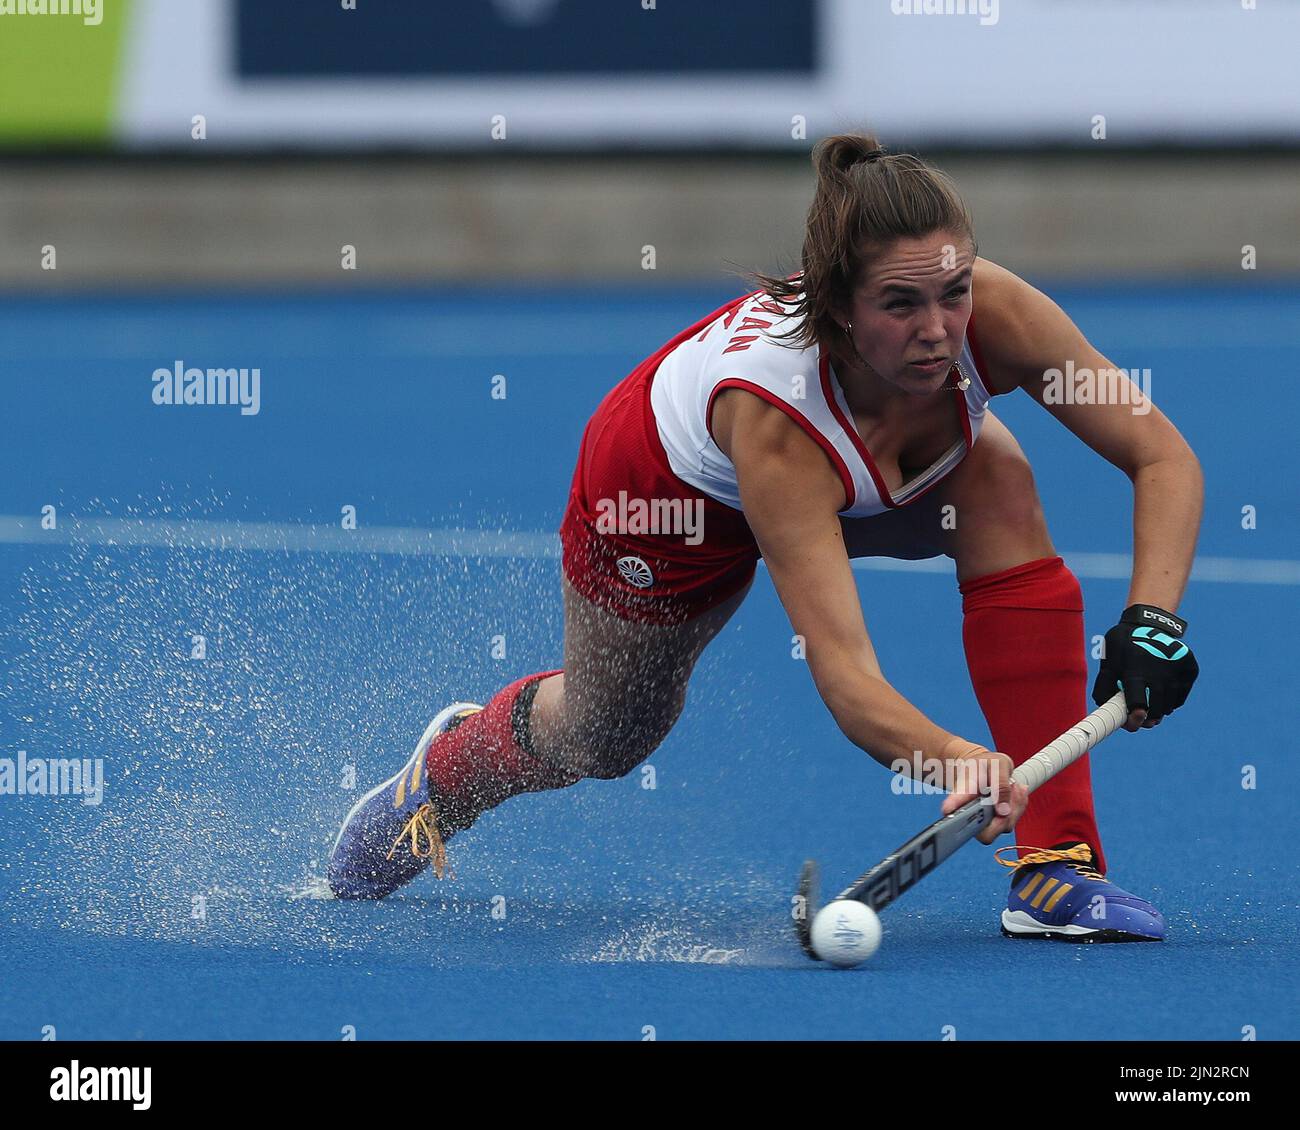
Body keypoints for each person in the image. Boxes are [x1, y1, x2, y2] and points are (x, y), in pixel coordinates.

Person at [327, 133, 1200, 942]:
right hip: (663, 500)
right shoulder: (775, 420)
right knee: (605, 738)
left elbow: (1161, 455)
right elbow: (847, 676)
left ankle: (1057, 865)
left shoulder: (994, 317)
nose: (939, 330)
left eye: (954, 291)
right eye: (901, 304)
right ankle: (449, 771)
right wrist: (957, 764)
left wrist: (1154, 620)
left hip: (860, 462)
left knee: (999, 484)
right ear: (838, 306)